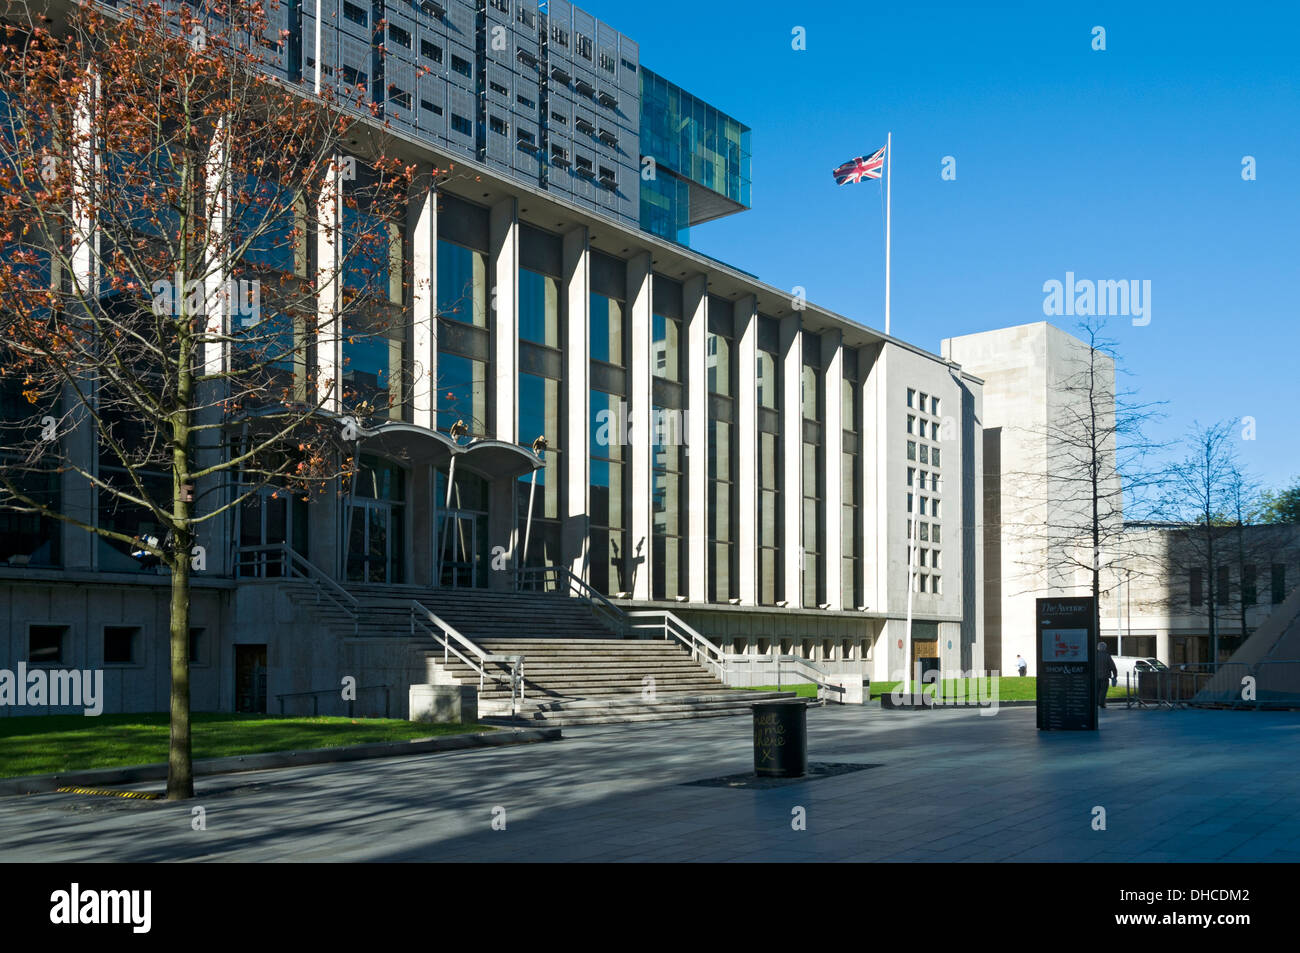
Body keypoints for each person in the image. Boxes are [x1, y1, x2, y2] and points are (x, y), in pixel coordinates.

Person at [1097, 642, 1118, 708]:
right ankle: (1101, 703)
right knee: (1103, 690)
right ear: (1105, 648)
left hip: (1096, 677)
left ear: (1098, 648)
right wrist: (1115, 675)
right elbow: (1113, 667)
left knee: (1097, 690)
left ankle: (1096, 702)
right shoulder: (1107, 656)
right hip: (1105, 676)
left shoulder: (1094, 656)